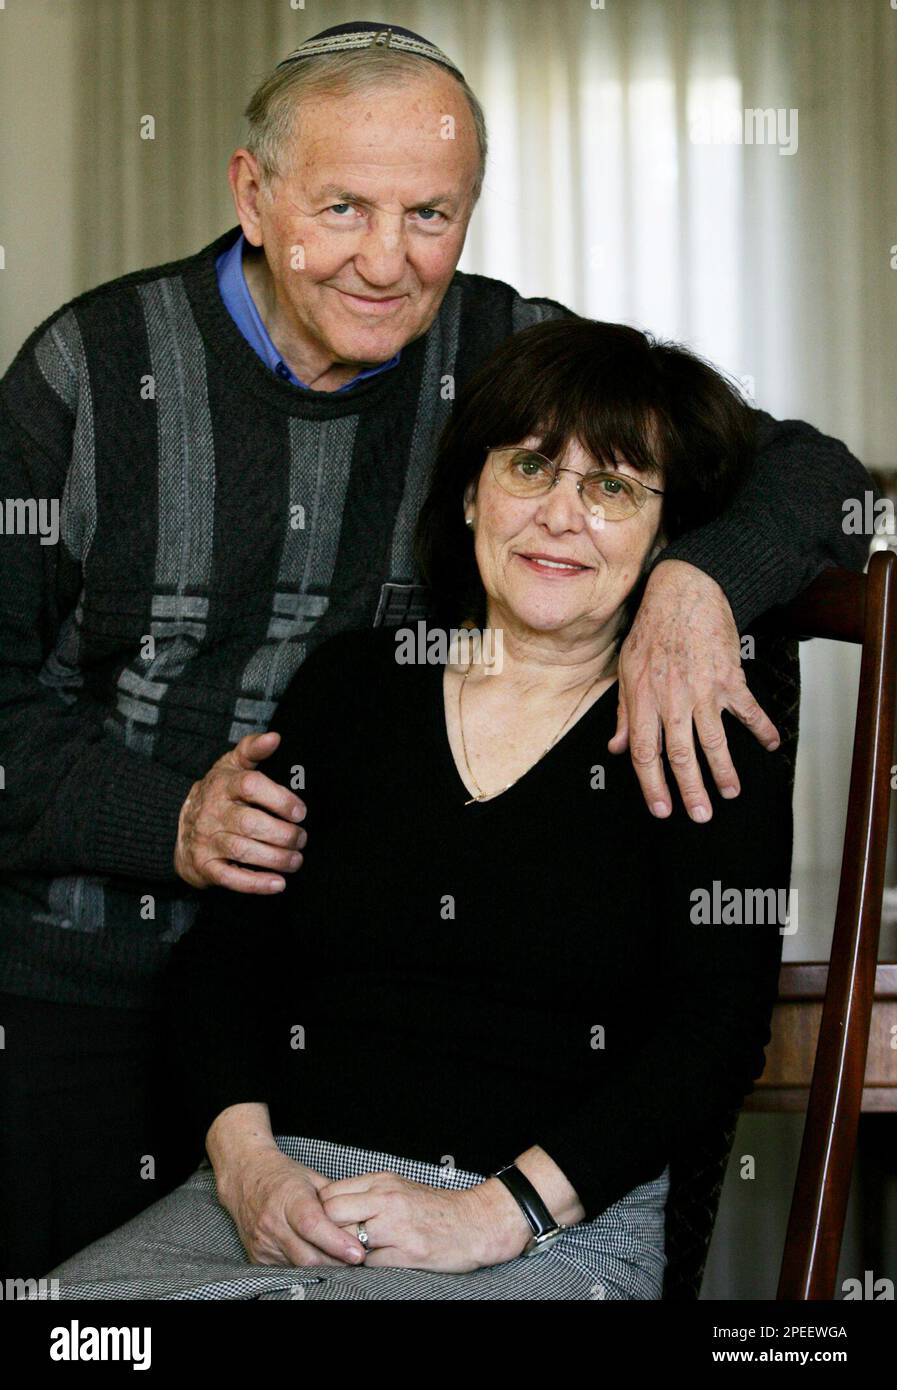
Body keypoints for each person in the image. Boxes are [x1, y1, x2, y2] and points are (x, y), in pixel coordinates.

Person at [0, 19, 876, 1281]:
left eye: (430, 215)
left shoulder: (501, 362)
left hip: (369, 1024)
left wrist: (699, 580)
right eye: (344, 207)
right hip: (85, 975)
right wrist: (169, 819)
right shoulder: (92, 373)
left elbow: (813, 476)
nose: (385, 261)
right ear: (252, 194)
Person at [44, 318, 794, 1301]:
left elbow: (713, 1036)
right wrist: (250, 1169)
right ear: (474, 496)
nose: (561, 516)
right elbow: (227, 960)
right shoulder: (354, 688)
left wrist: (490, 1214)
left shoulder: (697, 721)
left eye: (613, 487)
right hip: (275, 1202)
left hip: (547, 1230)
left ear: (668, 532)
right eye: (529, 467)